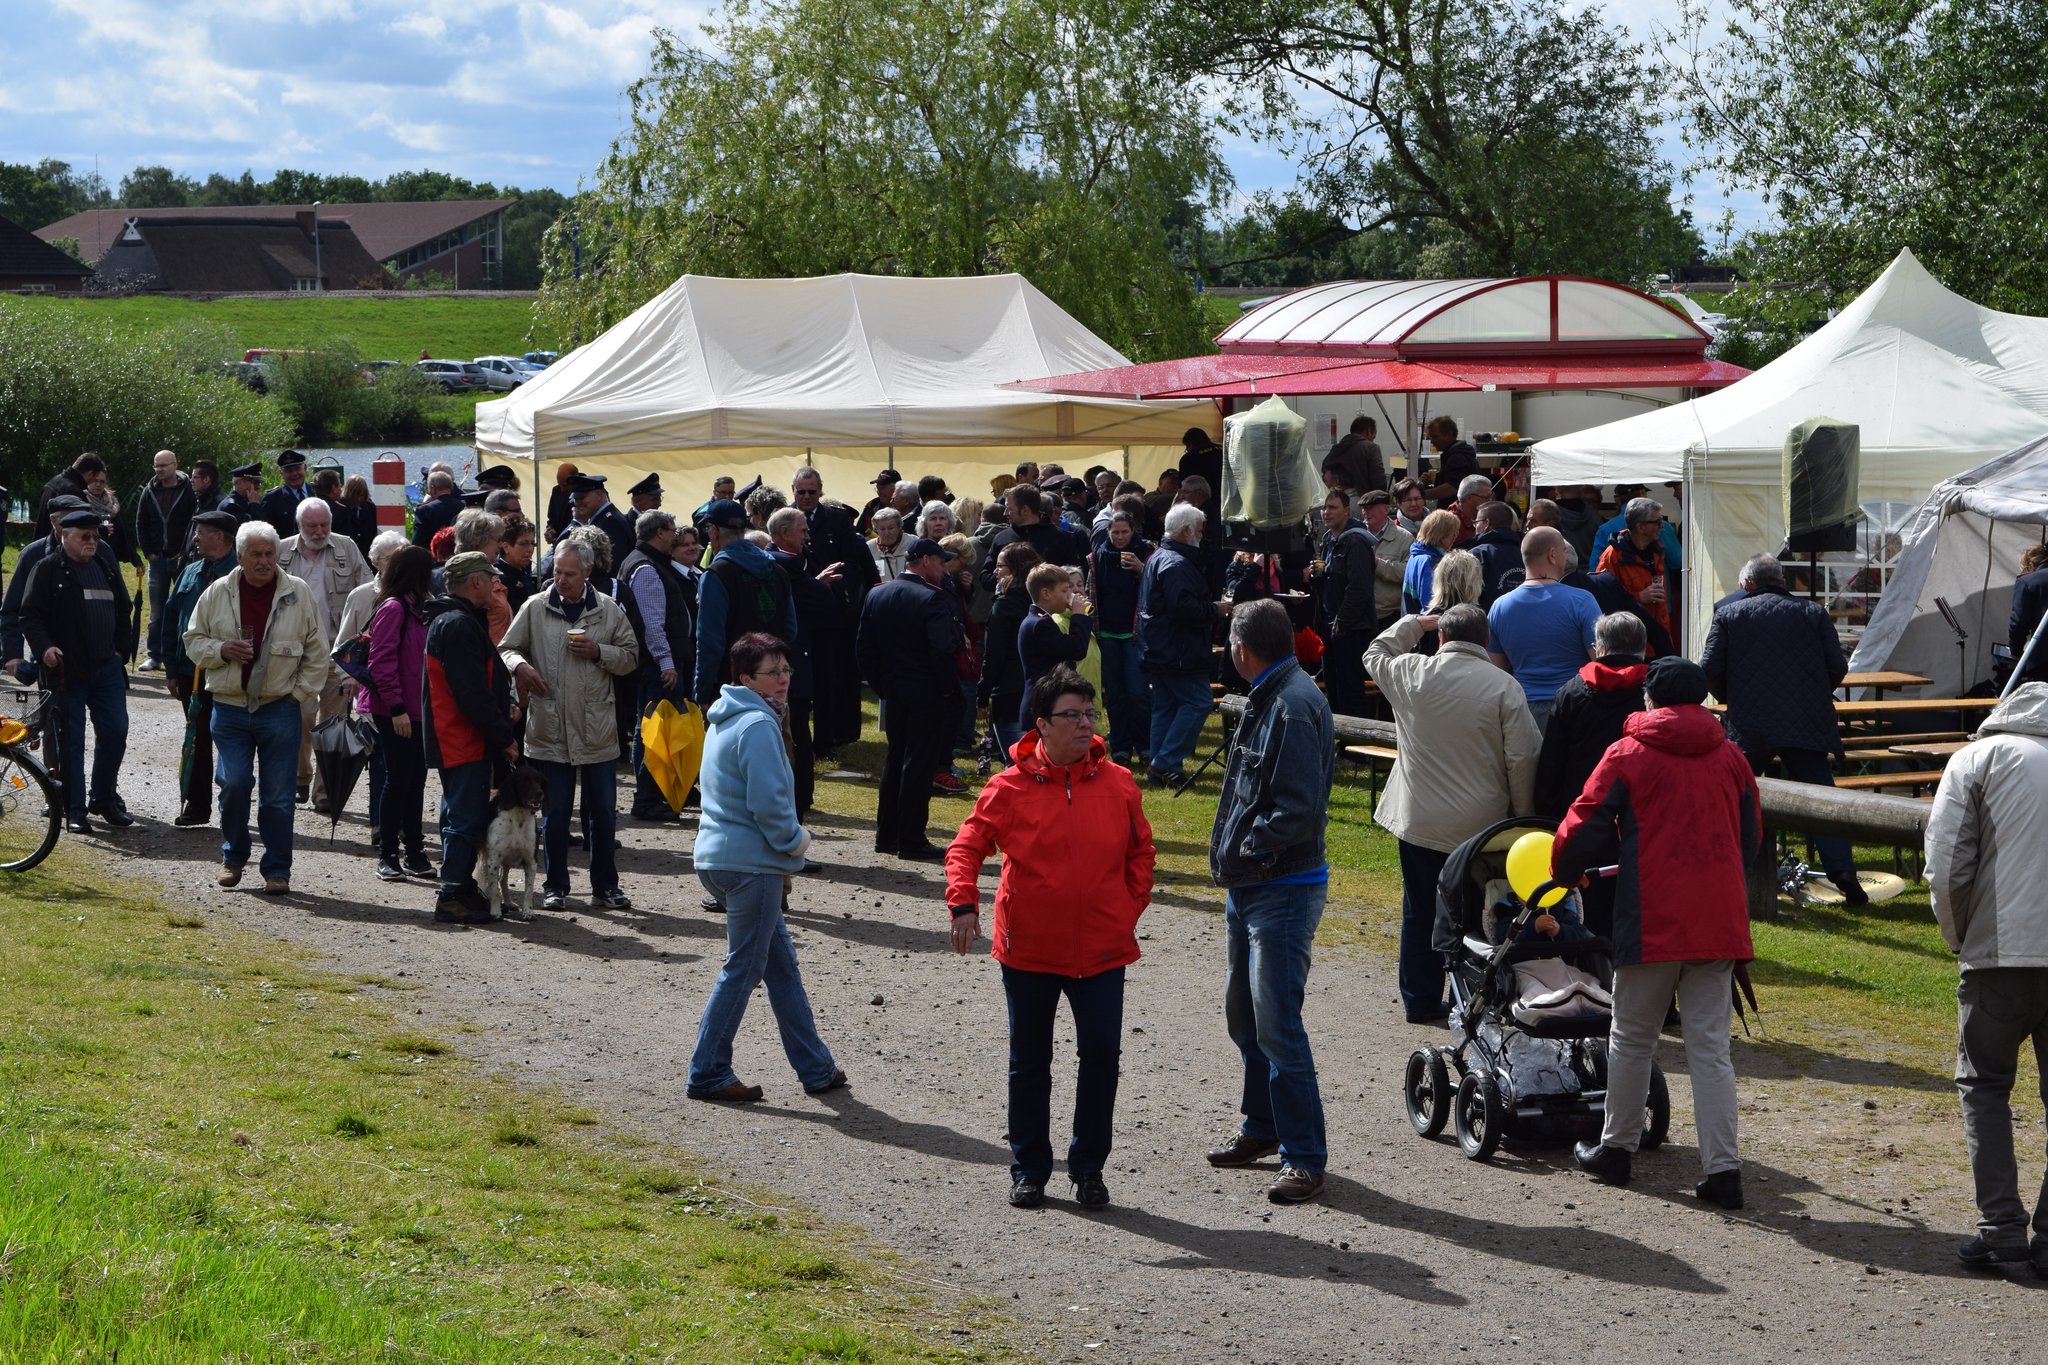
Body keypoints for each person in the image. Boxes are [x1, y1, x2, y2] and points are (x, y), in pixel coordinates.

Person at [946, 665, 1154, 1208]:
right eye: (1072, 715)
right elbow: (967, 845)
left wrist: (1127, 907)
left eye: (1090, 714)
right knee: (1030, 1062)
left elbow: (1141, 853)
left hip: (1103, 950)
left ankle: (1088, 1169)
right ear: (1041, 724)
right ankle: (1030, 1169)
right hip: (1030, 951)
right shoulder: (1007, 787)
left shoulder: (1119, 783)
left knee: (1101, 1056)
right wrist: (963, 903)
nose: (1086, 724)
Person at [1555, 656, 1758, 1209]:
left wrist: (1564, 872)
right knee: (1711, 1050)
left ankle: (1617, 1148)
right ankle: (1723, 1169)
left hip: (1651, 917)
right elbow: (1749, 838)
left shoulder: (1628, 753)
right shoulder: (1732, 757)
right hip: (1717, 918)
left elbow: (1585, 821)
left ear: (1649, 699)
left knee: (1631, 1036)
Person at [1203, 599, 1336, 1205]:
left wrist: (1247, 847)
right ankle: (1262, 1126)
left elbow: (1299, 810)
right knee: (1246, 1017)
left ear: (1240, 649)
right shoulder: (1273, 695)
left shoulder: (1292, 706)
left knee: (1278, 1025)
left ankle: (1303, 1158)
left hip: (1280, 888)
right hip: (1253, 886)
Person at [687, 632, 845, 1102]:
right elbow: (770, 805)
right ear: (746, 679)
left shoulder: (727, 717)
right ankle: (708, 1071)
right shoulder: (757, 724)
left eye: (786, 669)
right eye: (772, 672)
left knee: (780, 967)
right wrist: (797, 843)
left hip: (721, 858)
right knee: (744, 969)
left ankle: (816, 1067)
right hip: (749, 865)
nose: (783, 679)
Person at [1924, 682, 2048, 1269]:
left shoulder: (1977, 758)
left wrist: (1960, 939)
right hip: (2010, 948)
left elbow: (1947, 866)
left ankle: (2000, 1227)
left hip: (2001, 953)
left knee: (1984, 1088)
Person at [1366, 603, 1539, 1023]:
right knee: (1478, 913)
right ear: (1486, 640)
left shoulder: (1411, 672)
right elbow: (1522, 758)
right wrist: (1523, 817)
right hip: (1480, 825)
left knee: (1420, 909)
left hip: (1420, 821)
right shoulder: (1504, 687)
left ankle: (1420, 998)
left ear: (1441, 637)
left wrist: (1415, 623)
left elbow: (1375, 651)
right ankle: (1472, 998)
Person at [1701, 553, 1862, 903]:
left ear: (1747, 585)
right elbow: (1838, 666)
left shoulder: (1729, 613)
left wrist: (1729, 695)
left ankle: (1723, 869)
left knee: (1734, 794)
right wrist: (1816, 692)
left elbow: (1709, 667)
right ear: (1783, 582)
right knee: (1822, 797)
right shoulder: (1813, 612)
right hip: (1806, 719)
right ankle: (1843, 870)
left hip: (1750, 721)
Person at [183, 521, 331, 896]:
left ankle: (277, 870)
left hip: (280, 708)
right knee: (234, 783)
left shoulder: (297, 593)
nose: (264, 561)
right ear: (240, 557)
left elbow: (318, 652)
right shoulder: (217, 592)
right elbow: (193, 640)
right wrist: (221, 650)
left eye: (270, 554)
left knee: (278, 797)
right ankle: (233, 857)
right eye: (256, 554)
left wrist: (297, 695)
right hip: (230, 708)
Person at [500, 537, 640, 912]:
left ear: (588, 571)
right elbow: (507, 648)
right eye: (557, 572)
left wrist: (599, 652)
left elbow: (631, 657)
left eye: (569, 574)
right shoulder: (535, 607)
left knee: (603, 814)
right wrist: (521, 667)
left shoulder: (608, 610)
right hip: (550, 728)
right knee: (555, 814)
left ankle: (605, 887)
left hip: (596, 729)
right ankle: (555, 887)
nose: (560, 580)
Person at [20, 510, 135, 833]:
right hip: (66, 671)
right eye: (85, 536)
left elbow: (123, 610)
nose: (92, 542)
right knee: (71, 742)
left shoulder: (104, 567)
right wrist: (45, 649)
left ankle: (104, 799)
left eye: (96, 536)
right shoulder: (47, 569)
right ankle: (74, 810)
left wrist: (119, 652)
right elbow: (29, 615)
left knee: (116, 731)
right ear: (64, 536)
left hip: (106, 667)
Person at [421, 553, 517, 923]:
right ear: (475, 581)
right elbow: (471, 693)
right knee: (465, 818)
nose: (496, 584)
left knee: (459, 813)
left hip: (459, 735)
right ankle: (451, 896)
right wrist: (503, 736)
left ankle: (460, 888)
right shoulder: (457, 624)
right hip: (461, 737)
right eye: (491, 578)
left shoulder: (454, 619)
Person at [857, 537, 964, 860]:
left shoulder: (877, 593)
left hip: (894, 689)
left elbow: (864, 648)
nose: (943, 569)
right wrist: (947, 689)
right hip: (926, 690)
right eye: (940, 562)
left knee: (895, 759)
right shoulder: (932, 598)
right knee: (919, 762)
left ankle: (887, 834)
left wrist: (883, 686)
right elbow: (942, 651)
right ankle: (911, 838)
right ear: (926, 560)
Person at [278, 498, 373, 810]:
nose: (319, 532)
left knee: (334, 723)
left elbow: (368, 594)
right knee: (300, 717)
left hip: (337, 652)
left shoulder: (347, 548)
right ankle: (300, 776)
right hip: (295, 653)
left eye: (324, 525)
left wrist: (361, 651)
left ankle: (325, 792)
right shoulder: (280, 551)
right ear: (299, 526)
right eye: (312, 526)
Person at [1138, 503, 1232, 788]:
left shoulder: (1159, 556)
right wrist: (1215, 610)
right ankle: (1164, 762)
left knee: (1165, 707)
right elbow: (1183, 608)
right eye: (1200, 531)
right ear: (1187, 530)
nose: (1202, 536)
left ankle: (1163, 770)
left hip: (1161, 647)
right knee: (1198, 701)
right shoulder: (1176, 564)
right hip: (1178, 649)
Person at [360, 546, 437, 882]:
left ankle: (414, 850)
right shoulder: (394, 608)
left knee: (415, 779)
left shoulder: (419, 608)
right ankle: (388, 853)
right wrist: (397, 709)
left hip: (416, 709)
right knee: (398, 779)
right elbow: (381, 662)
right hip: (395, 710)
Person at [793, 467, 878, 757]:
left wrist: (841, 583)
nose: (806, 497)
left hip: (832, 611)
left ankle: (826, 740)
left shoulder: (836, 519)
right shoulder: (785, 517)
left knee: (830, 676)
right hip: (799, 611)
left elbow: (855, 559)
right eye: (801, 492)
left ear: (820, 491)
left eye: (812, 492)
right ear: (793, 491)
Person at [619, 510, 698, 821]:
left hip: (658, 661)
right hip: (657, 664)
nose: (676, 535)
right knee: (655, 731)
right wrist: (666, 661)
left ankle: (660, 791)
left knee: (655, 728)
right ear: (660, 532)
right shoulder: (646, 567)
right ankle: (648, 797)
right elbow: (652, 623)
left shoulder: (646, 561)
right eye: (672, 530)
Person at [164, 510, 241, 827]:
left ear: (220, 537)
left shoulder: (239, 574)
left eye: (201, 532)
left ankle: (233, 806)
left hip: (226, 671)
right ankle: (196, 806)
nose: (195, 538)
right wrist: (171, 668)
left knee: (230, 739)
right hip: (190, 671)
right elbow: (171, 618)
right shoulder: (191, 571)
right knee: (196, 737)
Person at [766, 505, 845, 816]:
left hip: (785, 662)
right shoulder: (785, 563)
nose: (807, 536)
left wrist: (815, 582)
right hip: (788, 664)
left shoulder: (786, 562)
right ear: (785, 533)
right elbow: (822, 602)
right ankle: (798, 800)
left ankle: (798, 797)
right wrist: (818, 585)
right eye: (802, 531)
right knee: (795, 731)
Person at [1486, 527, 1601, 733]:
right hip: (1574, 708)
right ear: (1552, 555)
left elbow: (1496, 671)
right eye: (1564, 552)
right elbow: (1601, 662)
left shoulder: (1499, 606)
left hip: (1522, 711)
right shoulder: (1582, 601)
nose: (1566, 557)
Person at [691, 499, 796, 704]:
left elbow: (709, 642)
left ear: (714, 531)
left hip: (732, 688)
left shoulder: (716, 574)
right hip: (775, 683)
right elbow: (790, 630)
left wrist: (702, 692)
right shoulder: (778, 570)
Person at [1086, 510, 1153, 765]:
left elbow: (1156, 587)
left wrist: (1142, 569)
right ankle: (1121, 746)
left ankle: (1144, 745)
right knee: (1115, 693)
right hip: (1108, 633)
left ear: (1133, 531)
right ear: (1108, 532)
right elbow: (1093, 593)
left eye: (1125, 532)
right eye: (1115, 532)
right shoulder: (1098, 556)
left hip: (1135, 633)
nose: (1120, 537)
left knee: (1138, 692)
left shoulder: (1147, 553)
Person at [1310, 489, 1379, 717]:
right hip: (1331, 627)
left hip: (1351, 630)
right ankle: (1338, 736)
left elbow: (1360, 589)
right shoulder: (1329, 540)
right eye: (1324, 507)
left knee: (1351, 694)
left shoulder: (1356, 540)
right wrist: (1317, 576)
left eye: (1332, 507)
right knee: (1333, 691)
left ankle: (1356, 740)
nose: (1326, 512)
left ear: (1346, 511)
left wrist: (1341, 624)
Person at [133, 448, 197, 672]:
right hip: (158, 560)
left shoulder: (188, 490)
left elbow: (193, 522)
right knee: (157, 612)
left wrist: (185, 551)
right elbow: (141, 522)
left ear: (175, 465)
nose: (159, 469)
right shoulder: (149, 491)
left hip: (182, 560)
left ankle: (181, 655)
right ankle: (154, 655)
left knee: (184, 607)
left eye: (164, 465)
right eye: (156, 465)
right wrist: (148, 552)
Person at [1016, 562, 1095, 730]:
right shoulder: (1040, 624)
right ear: (1046, 593)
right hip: (1043, 705)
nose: (1070, 595)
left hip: (1046, 701)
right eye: (1065, 591)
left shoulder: (1041, 620)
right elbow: (1076, 649)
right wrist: (1079, 616)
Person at [981, 542, 1041, 761]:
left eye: (1000, 566)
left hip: (1009, 690)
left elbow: (994, 654)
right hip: (1038, 688)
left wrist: (982, 694)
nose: (995, 572)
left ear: (1016, 569)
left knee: (1018, 763)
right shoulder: (1042, 601)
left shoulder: (1005, 605)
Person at [1595, 497, 1674, 640]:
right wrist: (1639, 597)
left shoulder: (1657, 551)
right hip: (1627, 639)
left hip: (1655, 636)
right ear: (1641, 527)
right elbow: (1602, 598)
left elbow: (1661, 604)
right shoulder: (1612, 556)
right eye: (1657, 521)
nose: (1662, 526)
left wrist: (1665, 639)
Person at [1401, 509, 1460, 615]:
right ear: (1442, 536)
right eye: (1454, 533)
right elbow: (1430, 605)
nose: (1455, 537)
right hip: (1425, 622)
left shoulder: (1415, 555)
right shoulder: (1429, 561)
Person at [1463, 501, 1523, 605]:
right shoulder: (1526, 553)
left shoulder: (1478, 554)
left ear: (1486, 523)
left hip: (1484, 614)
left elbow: (1465, 596)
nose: (1475, 527)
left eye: (1476, 522)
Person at [1323, 415, 1386, 495]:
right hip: (1363, 500)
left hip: (1338, 500)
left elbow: (1325, 471)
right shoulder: (1371, 448)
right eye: (1373, 437)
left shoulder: (1336, 448)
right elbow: (1379, 483)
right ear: (1369, 431)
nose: (1372, 440)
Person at [1421, 417, 1480, 502]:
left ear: (1449, 434)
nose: (1432, 441)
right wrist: (1436, 480)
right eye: (1431, 438)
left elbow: (1452, 487)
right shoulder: (1453, 453)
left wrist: (1420, 495)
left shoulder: (1458, 456)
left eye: (1435, 437)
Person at [259, 449, 315, 538]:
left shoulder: (317, 491)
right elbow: (267, 533)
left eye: (297, 469)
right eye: (288, 471)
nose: (294, 474)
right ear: (281, 473)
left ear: (305, 468)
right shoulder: (272, 499)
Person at [495, 516, 539, 612]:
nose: (530, 549)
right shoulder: (499, 578)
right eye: (523, 544)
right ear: (506, 547)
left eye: (532, 543)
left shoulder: (523, 568)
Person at [411, 469, 464, 548]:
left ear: (433, 488)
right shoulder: (463, 506)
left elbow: (418, 542)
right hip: (458, 552)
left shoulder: (425, 510)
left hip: (434, 553)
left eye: (428, 490)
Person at [335, 474, 379, 560]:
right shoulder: (341, 507)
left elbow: (373, 531)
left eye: (361, 495)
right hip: (347, 554)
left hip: (366, 554)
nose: (359, 499)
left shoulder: (370, 507)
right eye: (356, 495)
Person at [859, 468, 900, 535]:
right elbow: (859, 532)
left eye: (882, 488)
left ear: (896, 488)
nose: (879, 492)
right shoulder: (871, 506)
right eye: (878, 488)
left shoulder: (907, 507)